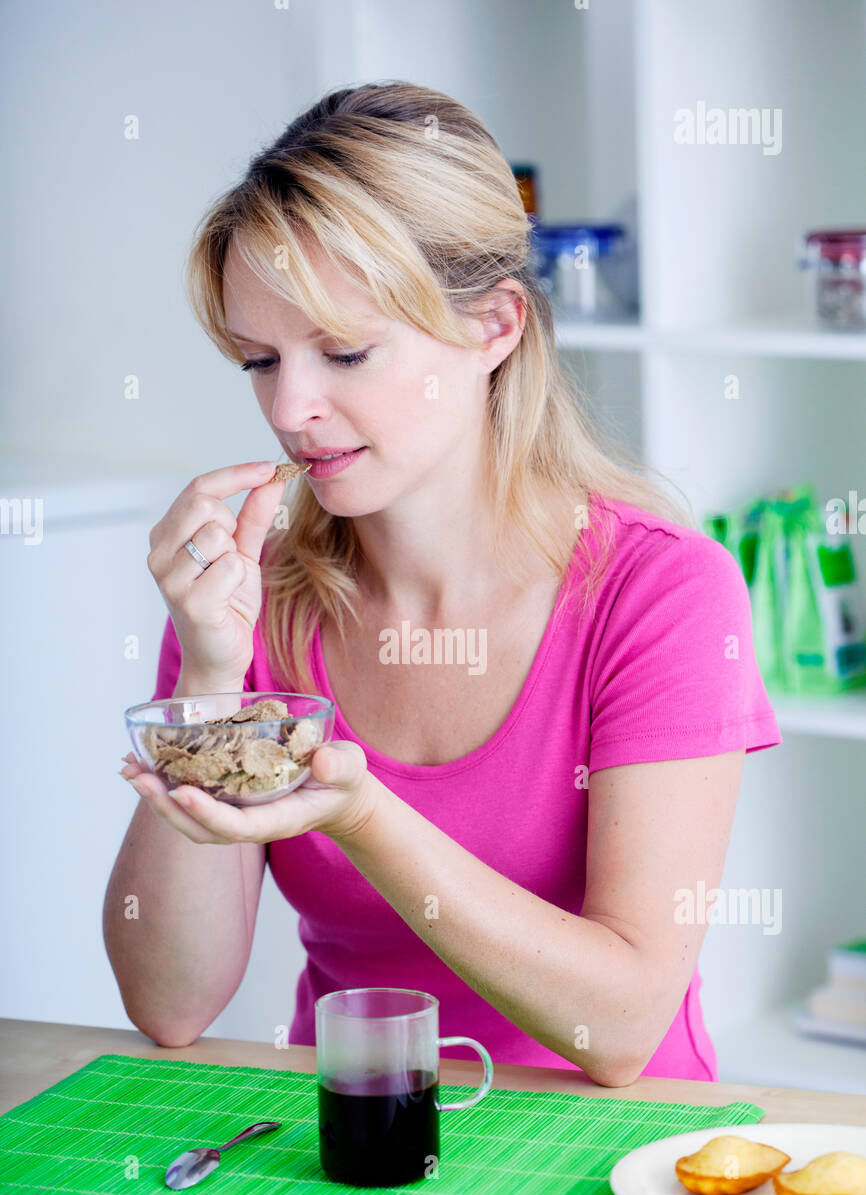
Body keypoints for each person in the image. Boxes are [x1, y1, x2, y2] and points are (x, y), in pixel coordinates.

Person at [104, 81, 782, 1085]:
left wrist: (359, 812)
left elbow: (623, 1023)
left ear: (493, 327)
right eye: (258, 359)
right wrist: (207, 675)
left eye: (345, 351)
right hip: (353, 1134)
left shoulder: (664, 592)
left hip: (611, 1156)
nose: (291, 407)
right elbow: (170, 1003)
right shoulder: (251, 601)